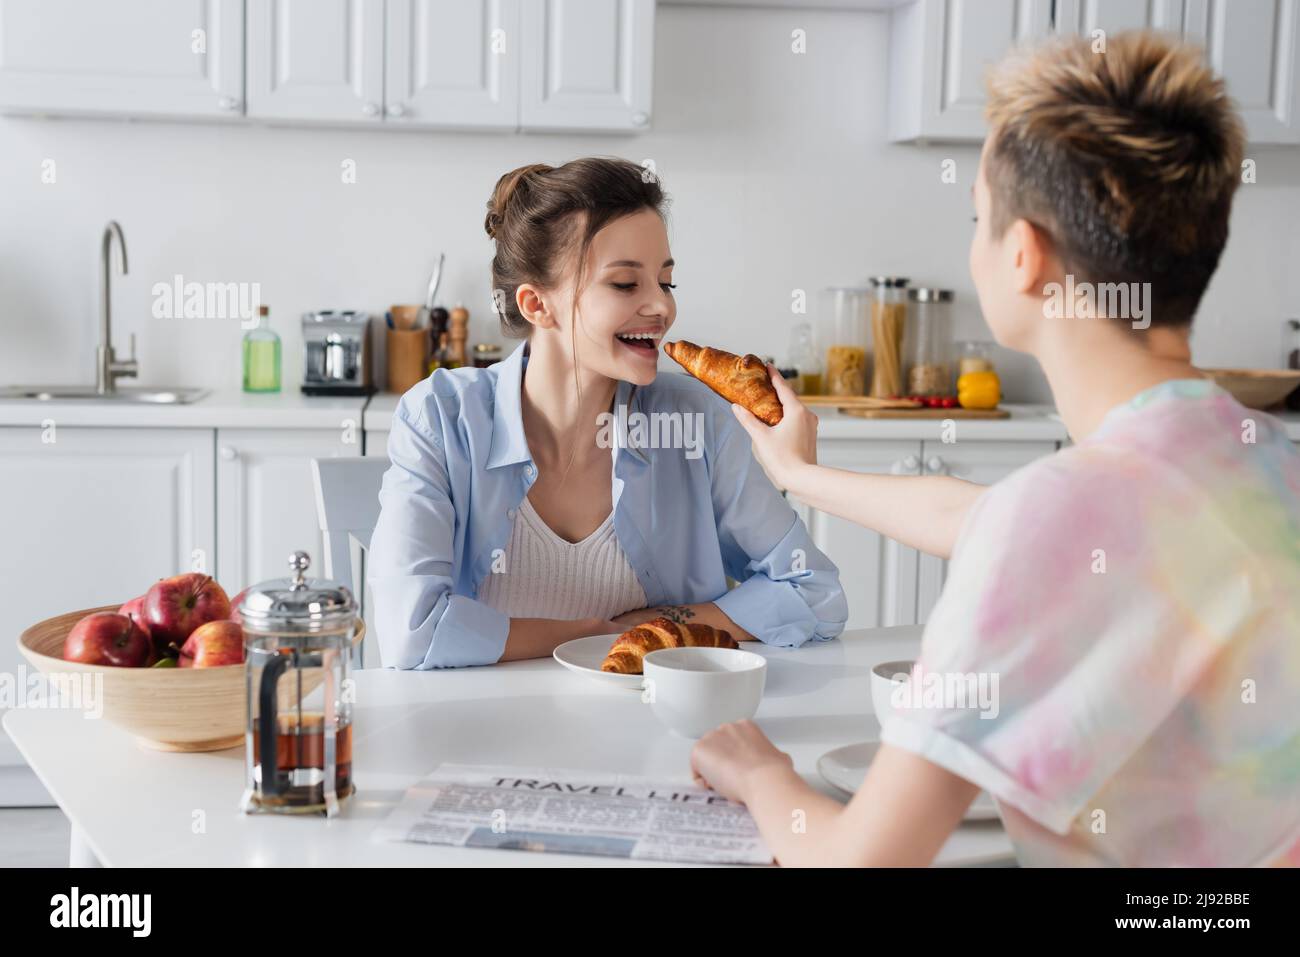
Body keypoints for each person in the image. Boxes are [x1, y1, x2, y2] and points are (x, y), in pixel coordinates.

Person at [690, 32, 1300, 867]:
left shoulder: (1054, 518)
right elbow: (991, 518)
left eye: (979, 219)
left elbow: (860, 862)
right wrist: (802, 475)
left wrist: (758, 771)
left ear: (1024, 257)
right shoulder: (1259, 463)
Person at [368, 157, 847, 670]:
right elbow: (411, 631)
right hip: (484, 735)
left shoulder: (698, 421)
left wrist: (662, 628)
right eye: (625, 284)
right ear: (536, 304)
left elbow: (814, 592)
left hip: (660, 731)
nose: (661, 307)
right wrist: (600, 635)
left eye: (666, 282)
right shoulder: (442, 417)